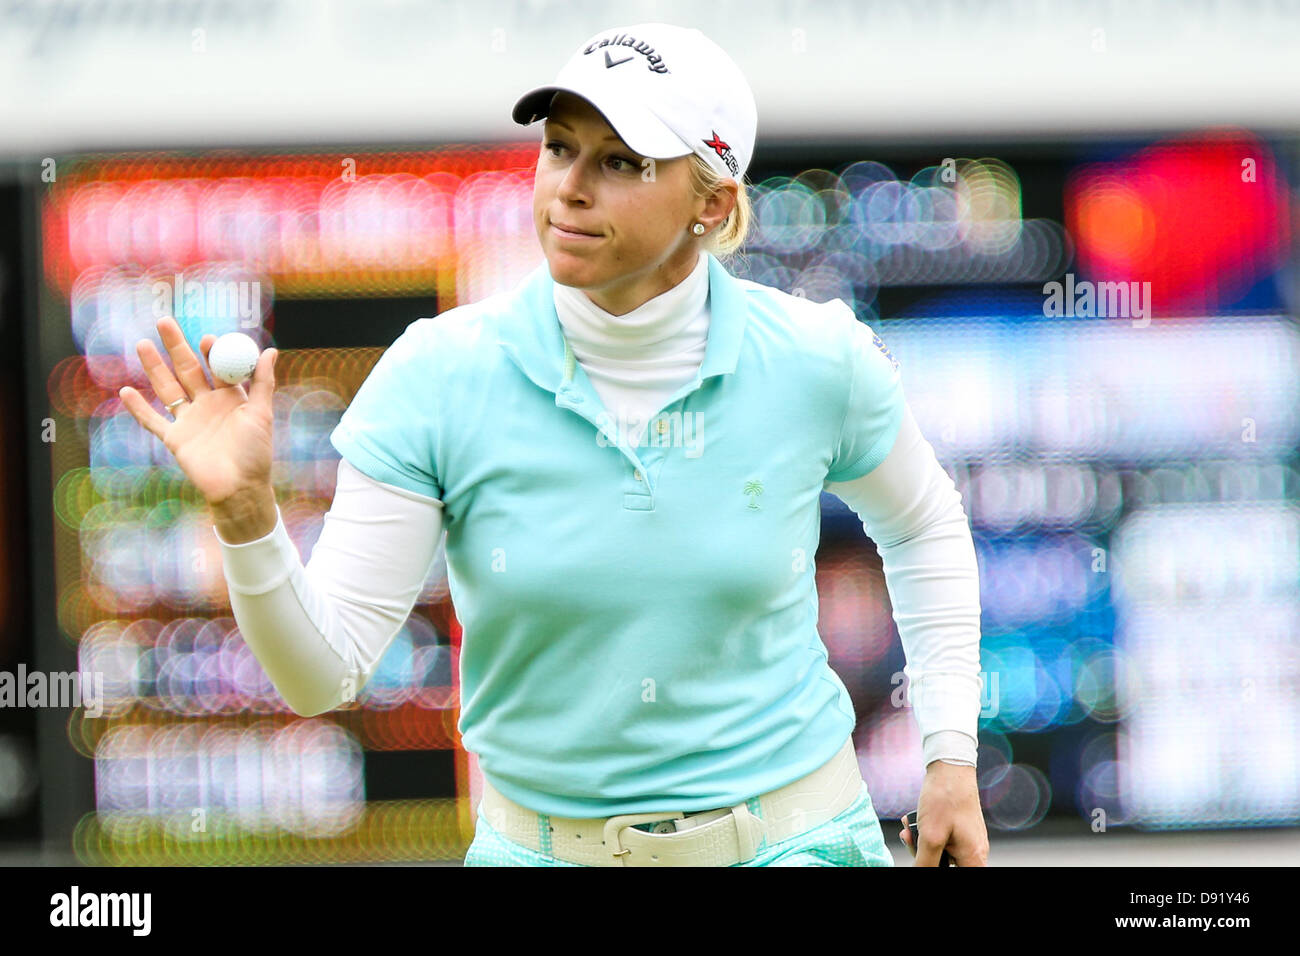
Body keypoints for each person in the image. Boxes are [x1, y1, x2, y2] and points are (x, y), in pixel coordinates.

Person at [118, 21, 989, 867]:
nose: (569, 187)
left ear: (712, 202)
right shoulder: (436, 375)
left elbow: (924, 528)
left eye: (620, 162)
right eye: (560, 148)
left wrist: (950, 756)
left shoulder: (814, 357)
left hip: (797, 845)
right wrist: (245, 516)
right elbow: (324, 676)